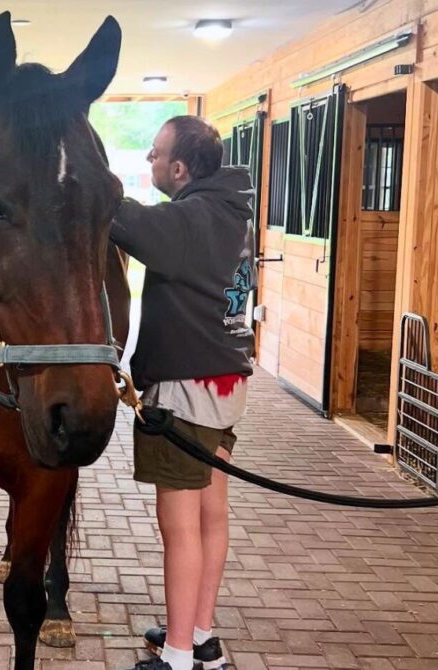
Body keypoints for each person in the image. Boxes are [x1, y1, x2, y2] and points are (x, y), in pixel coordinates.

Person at [110, 116, 256, 670]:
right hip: (226, 377)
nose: (149, 162)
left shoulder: (191, 217)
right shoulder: (229, 210)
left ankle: (174, 657)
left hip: (188, 385)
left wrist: (89, 183)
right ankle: (199, 636)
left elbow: (131, 223)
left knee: (180, 524)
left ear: (178, 167)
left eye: (154, 154)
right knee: (212, 513)